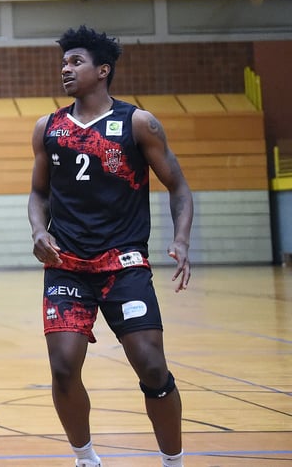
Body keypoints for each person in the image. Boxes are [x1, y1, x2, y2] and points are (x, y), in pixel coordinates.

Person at [27, 25, 193, 467]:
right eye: (63, 63)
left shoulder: (138, 122)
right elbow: (38, 194)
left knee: (153, 370)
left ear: (103, 70)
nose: (66, 69)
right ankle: (86, 459)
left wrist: (180, 239)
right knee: (63, 368)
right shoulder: (49, 127)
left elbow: (178, 186)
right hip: (66, 264)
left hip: (123, 262)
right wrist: (38, 232)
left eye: (75, 61)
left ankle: (173, 461)